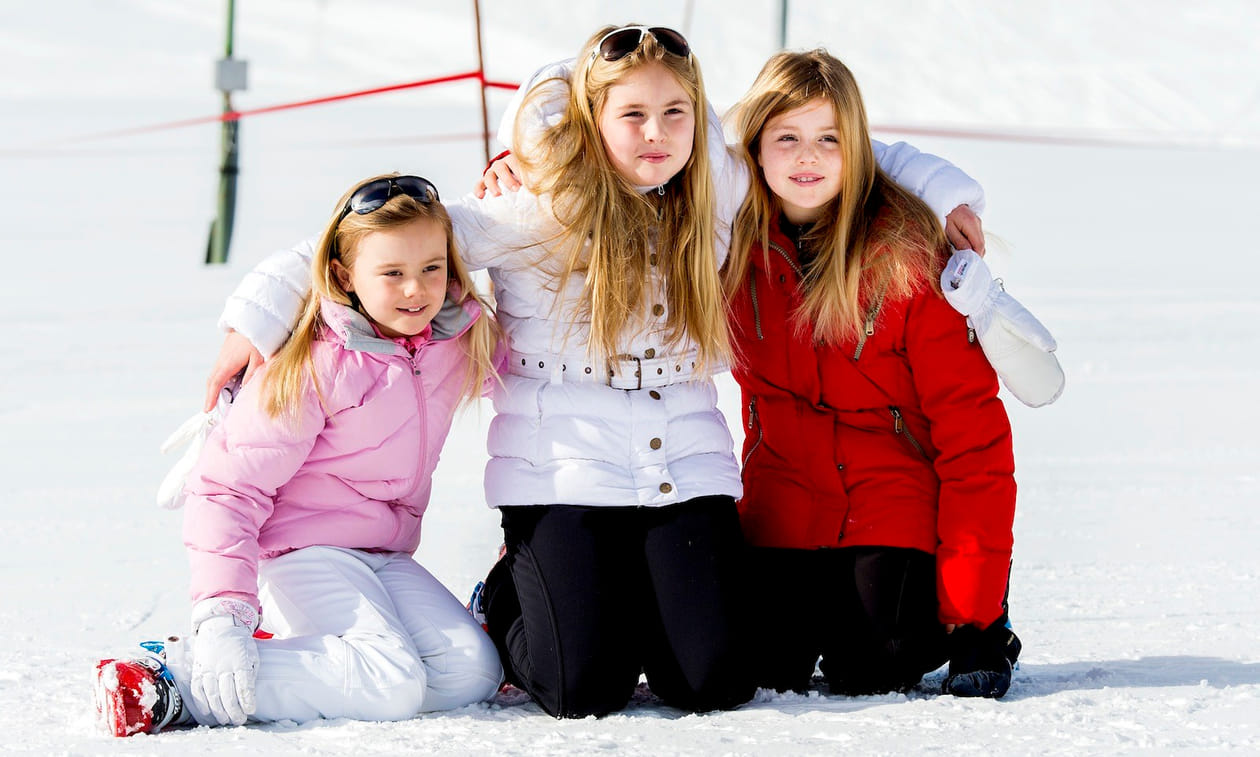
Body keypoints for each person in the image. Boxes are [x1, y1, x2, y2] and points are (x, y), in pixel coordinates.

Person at [203, 26, 994, 718]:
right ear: (593, 119)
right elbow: (384, 234)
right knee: (580, 686)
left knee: (716, 678)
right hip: (562, 466)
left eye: (675, 113)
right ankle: (511, 589)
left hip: (680, 465)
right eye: (633, 115)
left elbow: (823, 139)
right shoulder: (534, 207)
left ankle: (635, 598)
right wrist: (263, 306)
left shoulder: (720, 195)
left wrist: (941, 188)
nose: (657, 133)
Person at [93, 174, 506, 737]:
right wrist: (222, 616)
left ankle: (315, 664)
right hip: (300, 549)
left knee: (469, 673)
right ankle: (178, 677)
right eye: (392, 273)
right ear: (344, 275)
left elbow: (540, 384)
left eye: (432, 268)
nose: (416, 290)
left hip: (385, 551)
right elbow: (227, 489)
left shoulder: (454, 340)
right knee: (392, 680)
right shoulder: (318, 364)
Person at [724, 50, 1029, 700]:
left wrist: (974, 613)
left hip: (891, 501)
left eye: (829, 139)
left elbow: (974, 441)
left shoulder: (911, 260)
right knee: (760, 664)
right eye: (788, 137)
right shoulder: (729, 245)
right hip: (782, 501)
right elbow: (648, 154)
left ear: (856, 147)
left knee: (876, 661)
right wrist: (514, 165)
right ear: (754, 146)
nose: (808, 157)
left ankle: (981, 614)